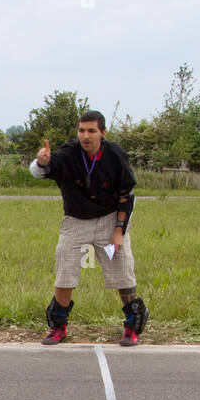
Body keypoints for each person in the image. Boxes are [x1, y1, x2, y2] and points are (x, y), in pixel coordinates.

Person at [29, 110, 147, 346]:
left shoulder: (114, 155)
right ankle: (59, 326)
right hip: (76, 220)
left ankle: (132, 326)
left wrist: (118, 231)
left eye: (91, 130)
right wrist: (41, 162)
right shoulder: (69, 153)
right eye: (81, 130)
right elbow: (43, 169)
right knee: (65, 269)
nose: (86, 135)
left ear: (102, 133)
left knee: (121, 269)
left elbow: (126, 195)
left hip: (109, 218)